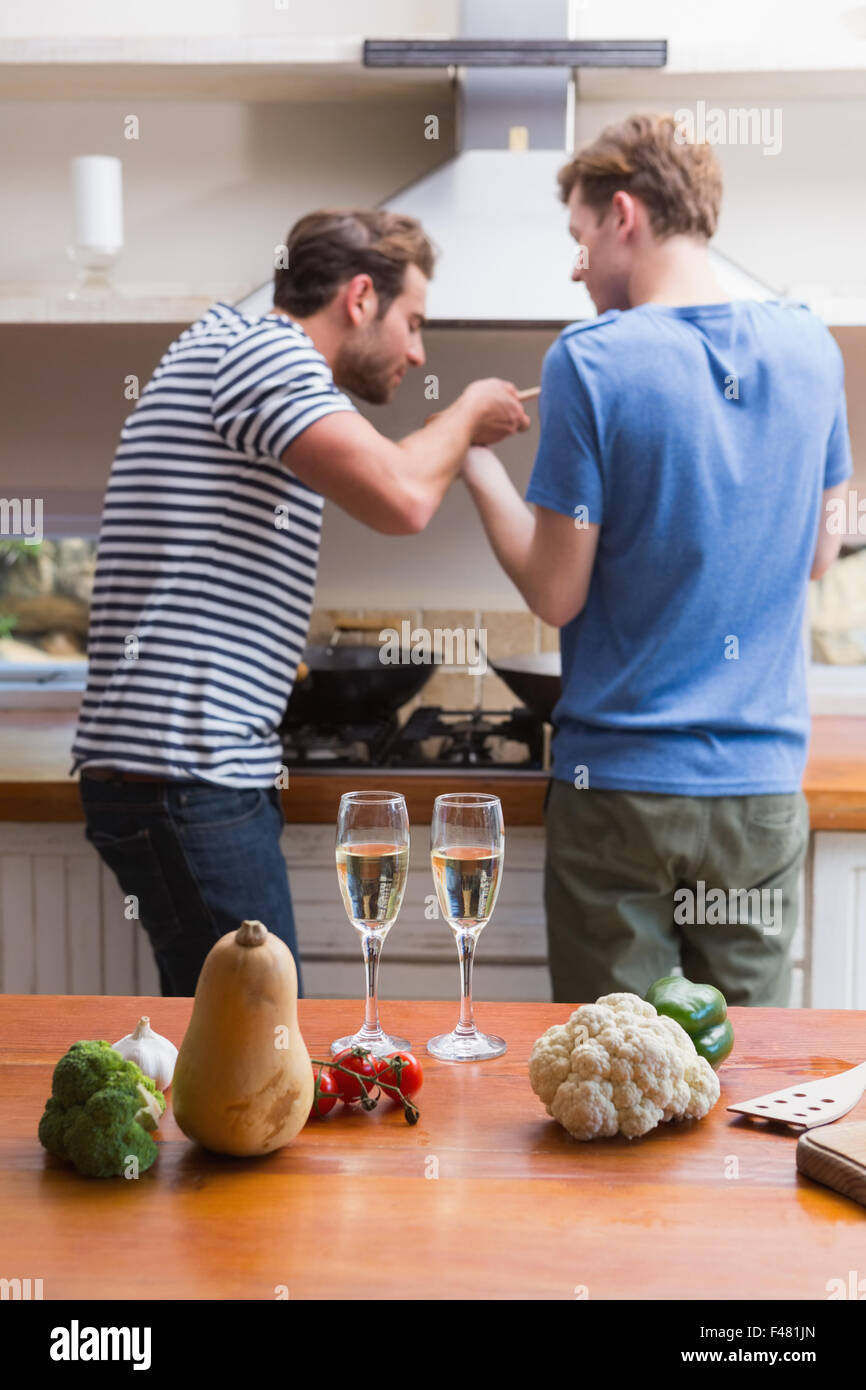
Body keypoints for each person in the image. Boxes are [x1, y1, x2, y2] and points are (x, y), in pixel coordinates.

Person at [71, 209, 530, 996]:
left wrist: (442, 440)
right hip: (187, 772)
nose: (417, 351)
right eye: (413, 322)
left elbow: (395, 474)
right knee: (263, 1042)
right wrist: (467, 413)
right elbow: (403, 500)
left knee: (238, 1046)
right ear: (360, 297)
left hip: (179, 774)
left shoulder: (235, 350)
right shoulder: (267, 354)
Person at [459, 114, 852, 1006]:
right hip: (758, 795)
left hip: (620, 792)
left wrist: (471, 460)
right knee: (749, 1079)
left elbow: (557, 593)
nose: (576, 265)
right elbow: (825, 547)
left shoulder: (590, 362)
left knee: (617, 1085)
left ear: (623, 214)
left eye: (579, 236)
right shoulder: (811, 348)